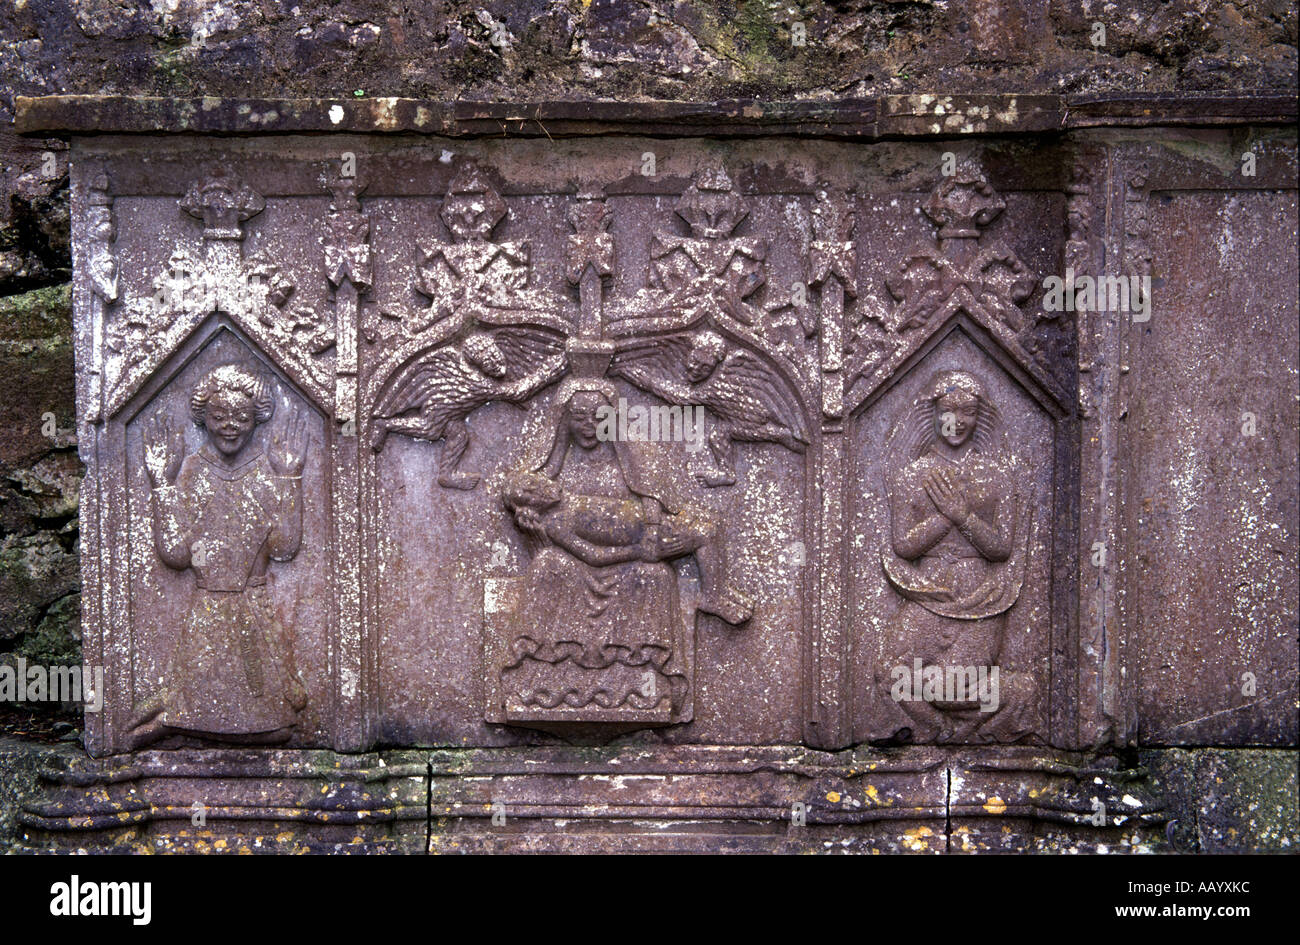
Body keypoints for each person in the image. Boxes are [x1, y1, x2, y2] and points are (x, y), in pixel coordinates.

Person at [129, 363, 310, 746]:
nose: (230, 424)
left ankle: (174, 724)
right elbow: (176, 554)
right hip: (207, 612)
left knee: (274, 726)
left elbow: (284, 548)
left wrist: (290, 478)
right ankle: (171, 723)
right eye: (220, 415)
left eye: (241, 416)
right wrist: (162, 482)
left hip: (254, 611)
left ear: (257, 419)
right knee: (194, 704)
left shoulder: (268, 471)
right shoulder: (192, 471)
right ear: (204, 418)